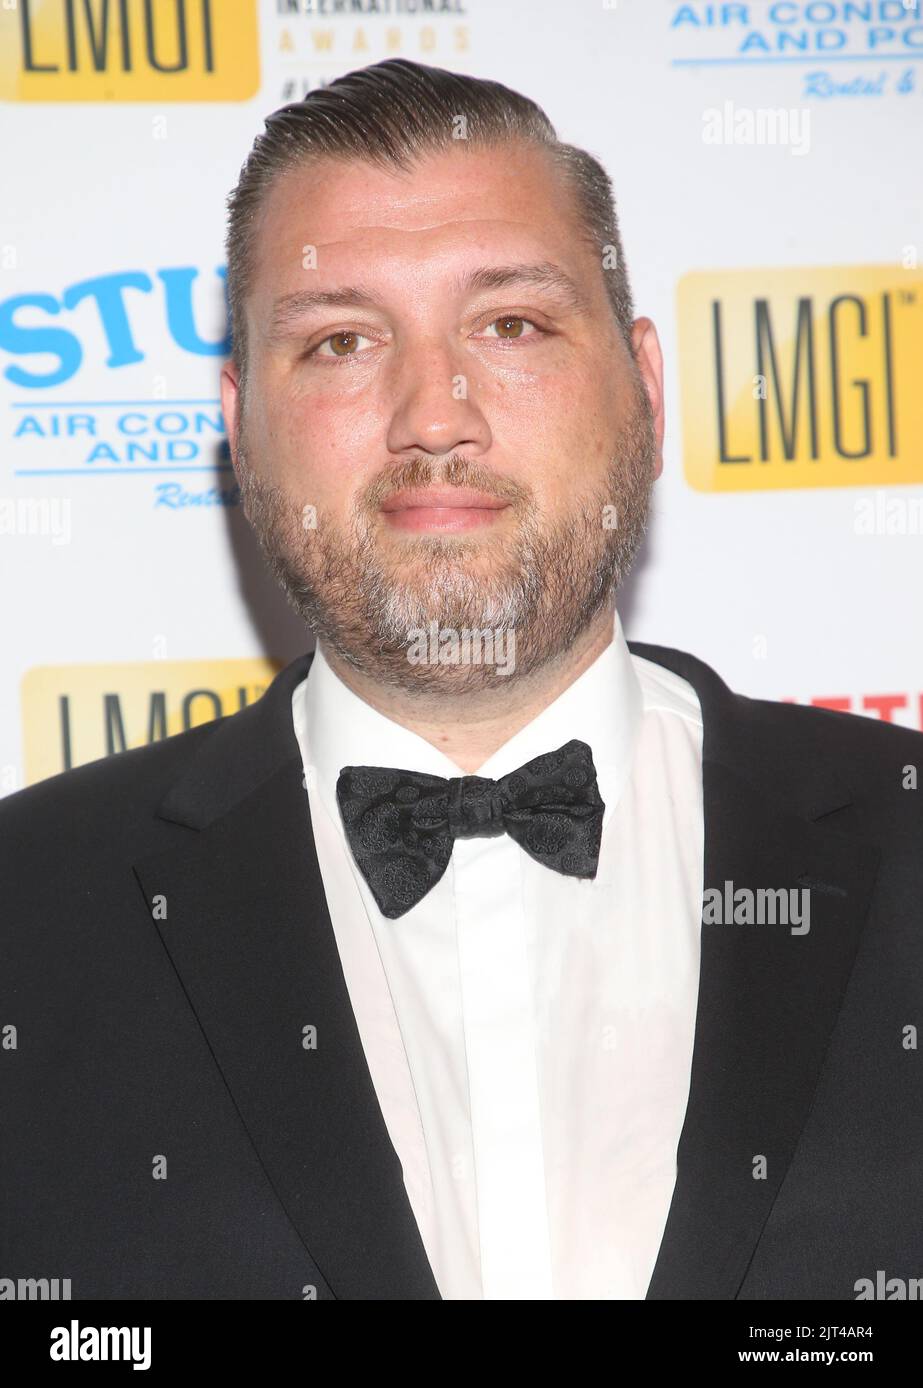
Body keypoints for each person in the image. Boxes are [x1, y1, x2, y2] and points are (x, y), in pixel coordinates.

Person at [2, 59, 921, 1303]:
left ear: (645, 388)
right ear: (238, 423)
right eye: (339, 340)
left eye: (512, 325)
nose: (435, 415)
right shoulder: (31, 915)